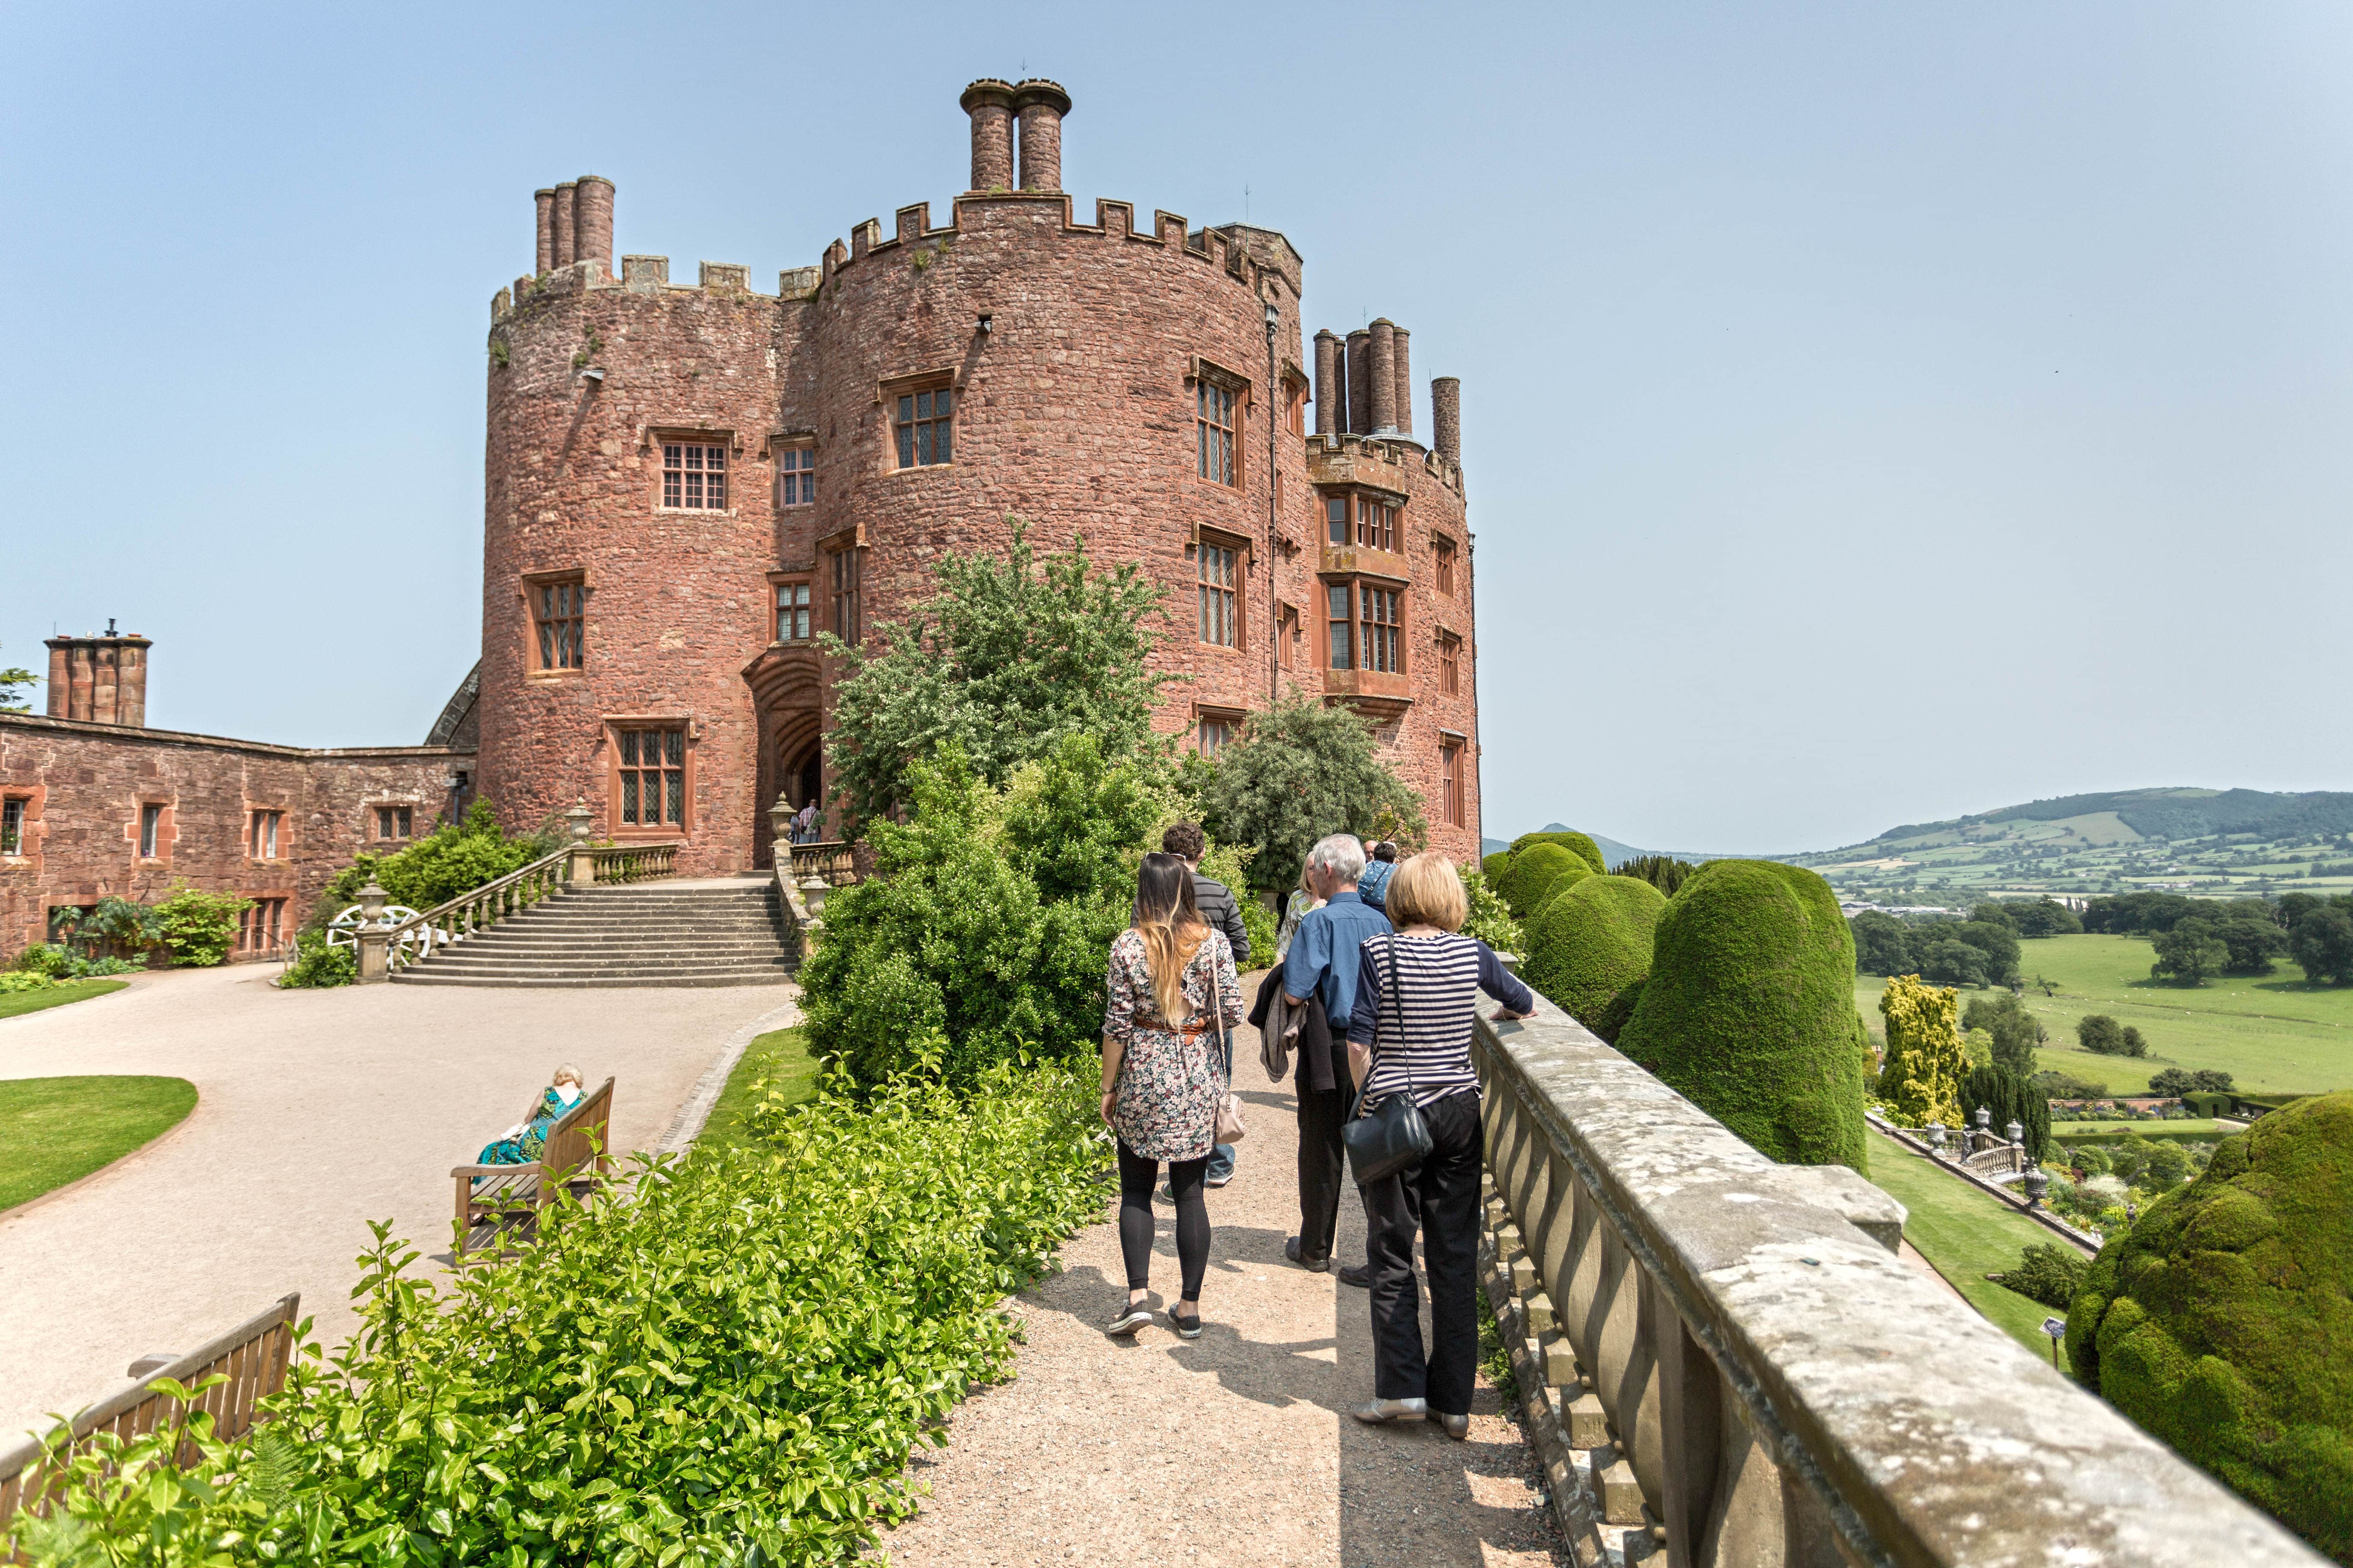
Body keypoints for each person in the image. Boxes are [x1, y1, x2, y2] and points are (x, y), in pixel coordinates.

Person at [1346, 853, 1535, 1438]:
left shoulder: (1380, 952)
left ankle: (1401, 1388)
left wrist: (1369, 1099)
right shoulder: (1473, 952)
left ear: (1400, 896)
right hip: (1458, 1109)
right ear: (1451, 897)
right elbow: (1523, 1001)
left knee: (1392, 1248)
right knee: (1453, 1254)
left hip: (1398, 1110)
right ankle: (1453, 1402)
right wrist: (1503, 1010)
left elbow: (1358, 1043)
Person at [1099, 852, 1243, 1339]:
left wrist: (1108, 1087)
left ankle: (1137, 1297)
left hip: (1142, 1071)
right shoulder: (1213, 943)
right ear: (1186, 888)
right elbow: (1234, 1012)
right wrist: (1195, 1012)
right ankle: (1189, 1307)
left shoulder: (1126, 945)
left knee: (1136, 1190)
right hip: (1195, 1071)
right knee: (1190, 1193)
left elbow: (1116, 1025)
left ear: (1145, 891)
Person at [1278, 833, 1392, 1281]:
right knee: (1376, 1153)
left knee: (1321, 1148)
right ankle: (1385, 1256)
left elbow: (1294, 992)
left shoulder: (1318, 923)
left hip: (1328, 1048)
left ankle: (1315, 1249)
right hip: (1377, 1050)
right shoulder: (1383, 924)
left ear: (1326, 870)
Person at [1162, 822, 1250, 1189]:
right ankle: (1219, 1162)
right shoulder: (1220, 892)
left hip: (1166, 1012)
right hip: (1213, 1013)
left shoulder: (1155, 897)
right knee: (1218, 1082)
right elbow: (1242, 950)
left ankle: (1182, 1171)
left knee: (1173, 1089)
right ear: (1202, 853)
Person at [474, 1063, 587, 1177]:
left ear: (559, 1078)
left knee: (494, 1149)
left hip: (538, 1147)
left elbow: (529, 1119)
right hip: (567, 1148)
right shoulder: (584, 1098)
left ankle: (487, 1184)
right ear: (578, 1080)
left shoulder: (548, 1092)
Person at [1272, 855, 1323, 965]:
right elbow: (1288, 936)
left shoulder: (1334, 898)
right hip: (1302, 964)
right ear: (1305, 872)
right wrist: (1287, 969)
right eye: (1311, 868)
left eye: (1320, 867)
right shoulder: (1297, 899)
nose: (1316, 873)